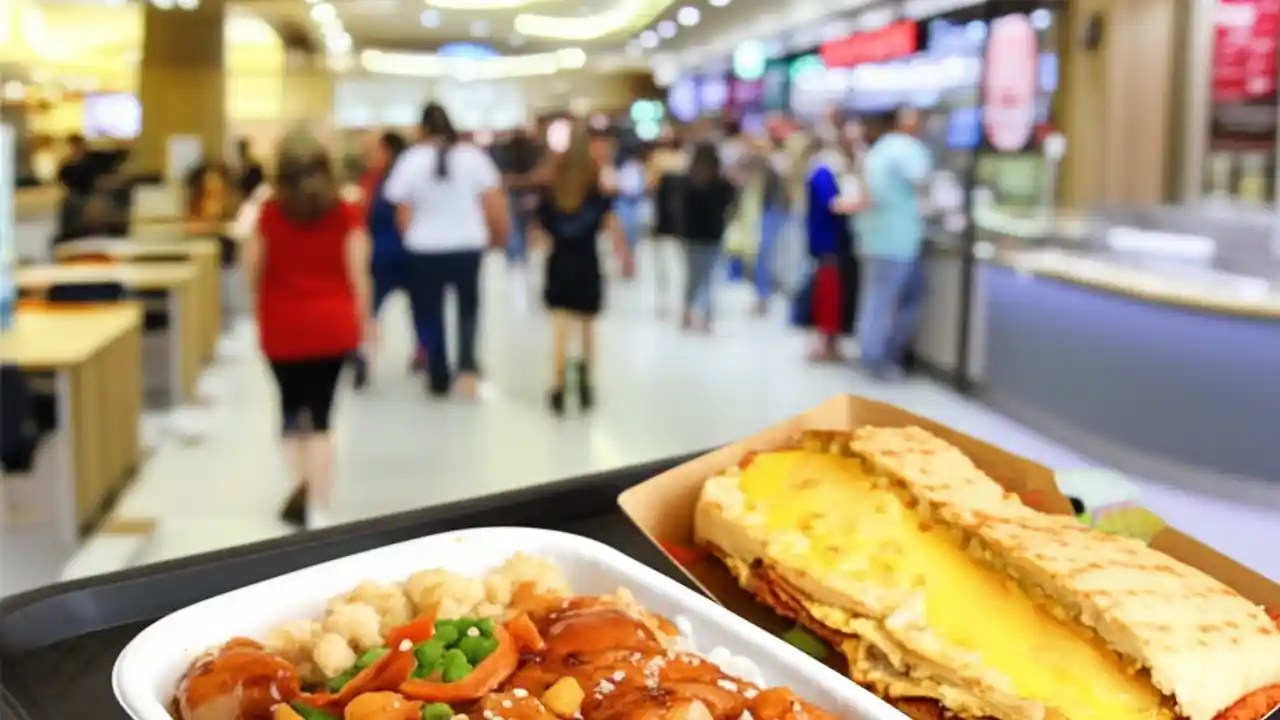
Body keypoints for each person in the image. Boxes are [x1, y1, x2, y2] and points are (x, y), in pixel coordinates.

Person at [243, 132, 371, 529]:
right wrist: (364, 321)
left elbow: (252, 269)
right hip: (332, 325)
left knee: (287, 412)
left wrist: (259, 308)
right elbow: (358, 273)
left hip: (282, 324)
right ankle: (319, 508)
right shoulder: (345, 211)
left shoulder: (266, 213)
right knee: (321, 418)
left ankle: (300, 485)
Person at [384, 102, 509, 398]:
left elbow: (402, 210)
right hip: (467, 246)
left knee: (430, 312)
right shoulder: (473, 157)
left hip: (425, 249)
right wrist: (496, 237)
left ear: (422, 129)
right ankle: (466, 367)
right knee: (468, 308)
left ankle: (437, 372)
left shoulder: (411, 160)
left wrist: (411, 238)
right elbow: (493, 202)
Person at [536, 123, 623, 416]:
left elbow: (541, 224)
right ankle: (586, 383)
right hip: (587, 259)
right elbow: (608, 218)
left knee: (560, 326)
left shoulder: (553, 181)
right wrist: (623, 252)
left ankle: (558, 384)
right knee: (587, 325)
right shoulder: (596, 179)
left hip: (560, 259)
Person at [853, 107, 933, 380]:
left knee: (876, 299)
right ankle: (879, 357)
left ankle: (871, 353)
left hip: (875, 237)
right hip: (898, 239)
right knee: (893, 300)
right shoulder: (906, 150)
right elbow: (923, 180)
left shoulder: (878, 151)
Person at [351, 131, 420, 387]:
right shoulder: (409, 178)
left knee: (371, 308)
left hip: (384, 252)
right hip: (405, 251)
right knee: (416, 307)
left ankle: (364, 354)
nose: (370, 156)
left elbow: (363, 214)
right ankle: (423, 351)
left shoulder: (374, 182)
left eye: (376, 150)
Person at [680, 142, 735, 332]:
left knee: (692, 277)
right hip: (713, 235)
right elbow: (731, 204)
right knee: (708, 278)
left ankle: (687, 313)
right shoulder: (721, 184)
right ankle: (706, 318)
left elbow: (682, 209)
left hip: (692, 236)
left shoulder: (688, 182)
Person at [493, 127, 544, 266]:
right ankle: (521, 258)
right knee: (521, 228)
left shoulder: (503, 152)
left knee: (517, 227)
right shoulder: (535, 151)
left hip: (516, 194)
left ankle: (518, 259)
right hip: (528, 194)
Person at [613, 143, 647, 278]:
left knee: (630, 240)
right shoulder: (631, 168)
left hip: (631, 208)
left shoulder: (631, 168)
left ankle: (628, 265)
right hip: (626, 208)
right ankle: (627, 265)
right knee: (626, 240)